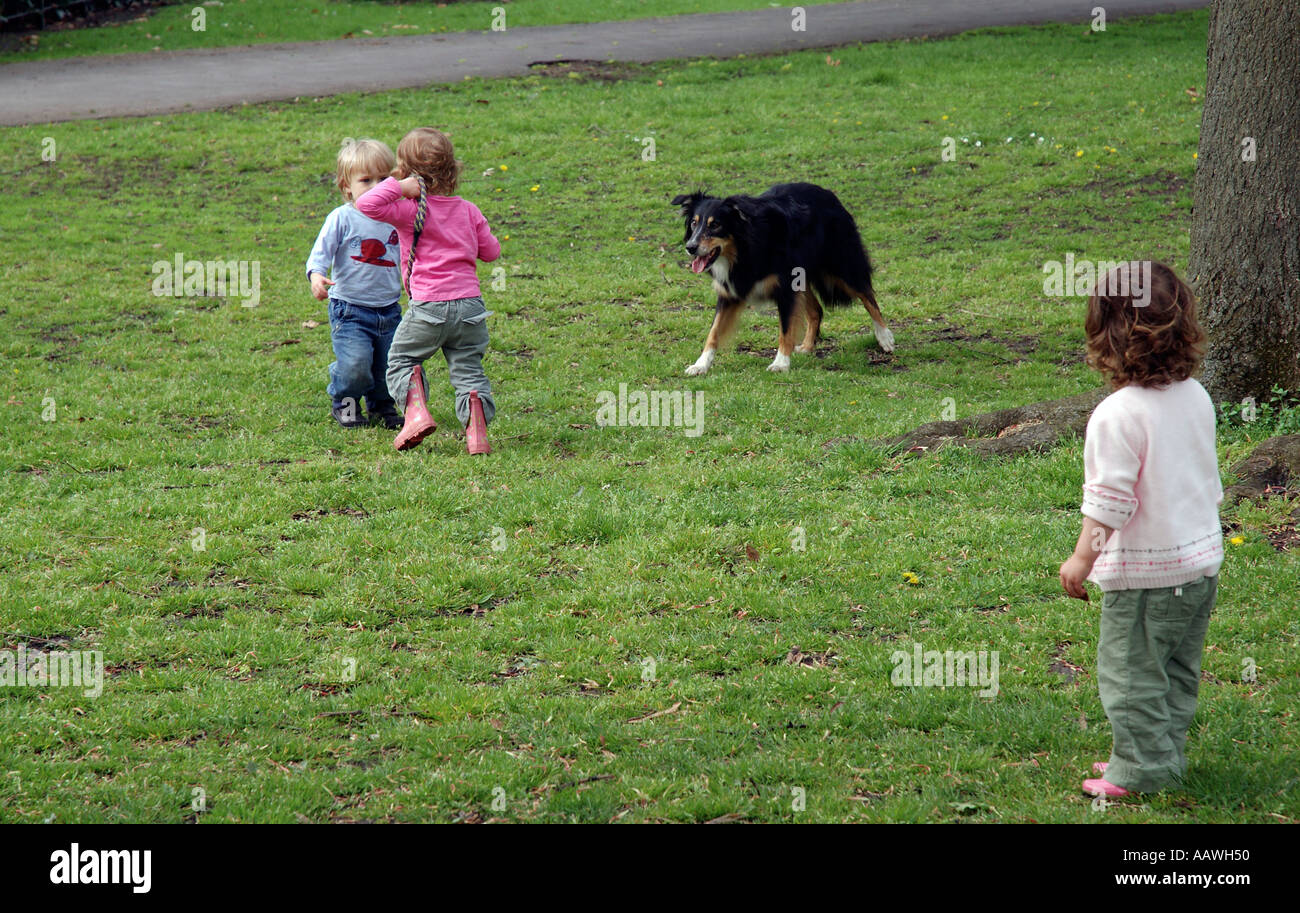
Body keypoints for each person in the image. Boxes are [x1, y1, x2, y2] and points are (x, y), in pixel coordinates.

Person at [1058, 260, 1224, 798]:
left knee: (1131, 678)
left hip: (1147, 576)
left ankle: (1138, 770)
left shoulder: (1117, 414)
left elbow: (1110, 504)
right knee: (1176, 670)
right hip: (1199, 567)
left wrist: (1082, 559)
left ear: (1105, 333)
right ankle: (1165, 755)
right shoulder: (1195, 397)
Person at [355, 127, 500, 454]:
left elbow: (366, 204)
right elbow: (491, 252)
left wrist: (397, 187)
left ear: (404, 170)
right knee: (468, 368)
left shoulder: (409, 210)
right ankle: (476, 432)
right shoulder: (468, 210)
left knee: (402, 359)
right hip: (471, 309)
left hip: (429, 308)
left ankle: (417, 412)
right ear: (453, 170)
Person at [306, 139, 404, 429]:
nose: (376, 186)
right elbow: (319, 255)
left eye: (383, 179)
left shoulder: (397, 217)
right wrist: (316, 276)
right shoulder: (342, 218)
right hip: (349, 310)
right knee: (355, 365)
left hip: (388, 309)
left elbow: (409, 255)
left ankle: (382, 405)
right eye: (366, 180)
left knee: (388, 364)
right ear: (347, 186)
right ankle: (345, 398)